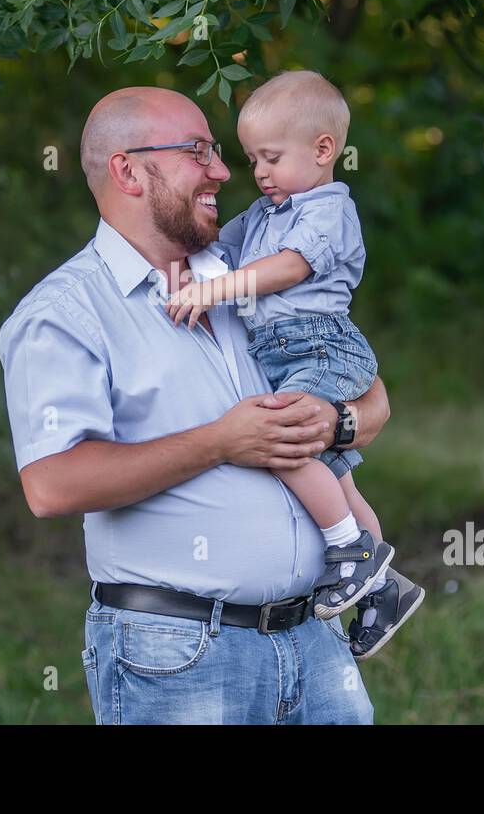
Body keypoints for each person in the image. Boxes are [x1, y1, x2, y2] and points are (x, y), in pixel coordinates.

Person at [0, 86, 391, 724]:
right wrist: (219, 441)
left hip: (314, 643)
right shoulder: (65, 313)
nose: (224, 170)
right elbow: (51, 485)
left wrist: (338, 423)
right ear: (127, 170)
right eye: (197, 151)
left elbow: (372, 402)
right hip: (179, 654)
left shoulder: (239, 276)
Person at [164, 70, 425, 659]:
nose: (258, 173)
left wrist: (216, 290)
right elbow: (215, 249)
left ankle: (350, 550)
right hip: (281, 354)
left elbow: (289, 269)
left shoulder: (329, 210)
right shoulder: (262, 211)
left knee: (280, 440)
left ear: (323, 150)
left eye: (271, 157)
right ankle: (384, 589)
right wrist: (186, 266)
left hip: (323, 346)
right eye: (253, 159)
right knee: (333, 472)